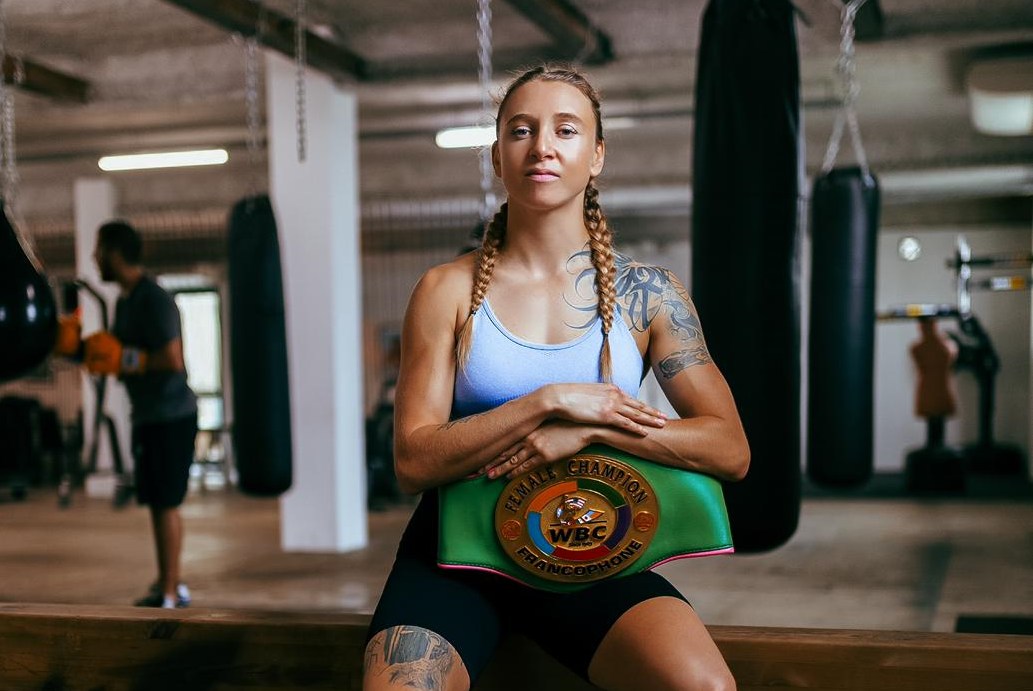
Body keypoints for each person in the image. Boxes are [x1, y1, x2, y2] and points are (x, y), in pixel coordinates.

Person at [363, 65, 750, 691]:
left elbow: (730, 450)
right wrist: (548, 402)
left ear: (596, 156)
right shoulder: (446, 290)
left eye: (565, 130)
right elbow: (413, 460)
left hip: (594, 556)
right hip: (455, 559)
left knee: (705, 688)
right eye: (521, 130)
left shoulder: (647, 295)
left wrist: (589, 432)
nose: (541, 145)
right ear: (497, 155)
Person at [84, 220, 198, 609]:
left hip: (171, 415)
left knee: (166, 502)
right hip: (147, 416)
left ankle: (170, 593)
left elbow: (172, 358)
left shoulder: (154, 298)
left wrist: (123, 358)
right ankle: (169, 582)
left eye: (99, 249)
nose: (94, 257)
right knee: (154, 501)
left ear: (115, 252)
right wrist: (88, 352)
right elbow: (122, 354)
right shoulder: (125, 301)